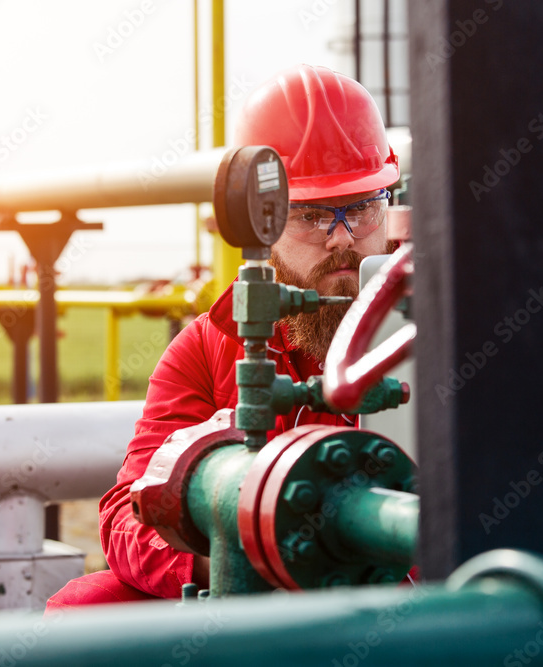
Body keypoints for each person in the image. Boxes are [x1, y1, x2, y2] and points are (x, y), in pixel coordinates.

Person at [45, 64, 400, 611]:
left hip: (392, 602)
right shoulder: (210, 347)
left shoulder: (429, 337)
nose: (342, 239)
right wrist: (245, 561)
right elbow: (126, 516)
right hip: (250, 601)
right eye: (310, 215)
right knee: (87, 607)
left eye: (361, 208)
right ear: (261, 222)